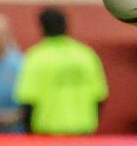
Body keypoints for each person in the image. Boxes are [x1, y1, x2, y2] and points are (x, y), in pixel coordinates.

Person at [15, 7, 109, 135]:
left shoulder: (36, 57)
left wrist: (30, 134)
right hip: (83, 132)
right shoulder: (86, 55)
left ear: (42, 28)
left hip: (47, 134)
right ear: (66, 25)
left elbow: (28, 102)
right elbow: (100, 97)